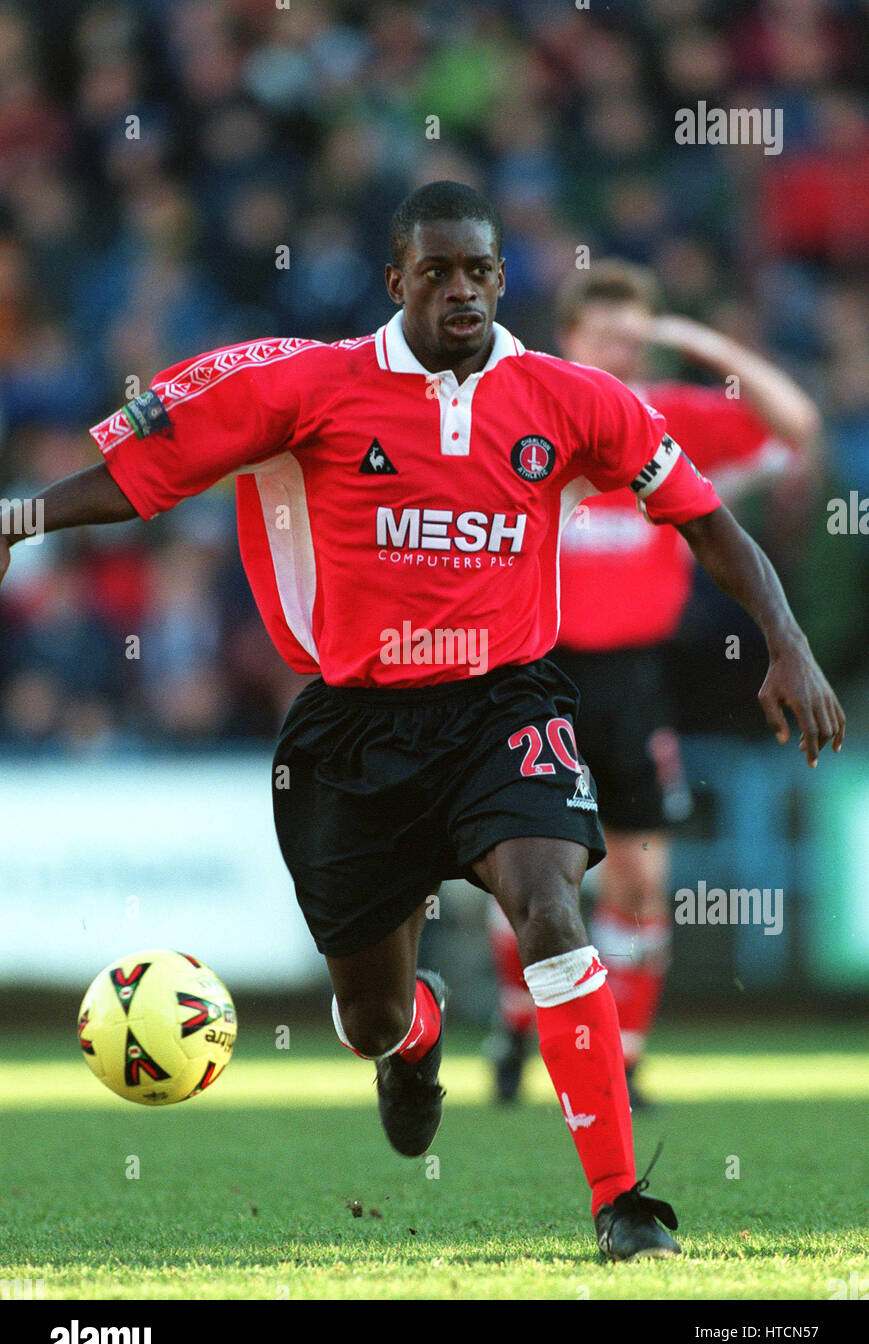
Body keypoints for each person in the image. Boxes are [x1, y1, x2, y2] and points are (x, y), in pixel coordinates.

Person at [0, 183, 844, 1263]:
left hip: (506, 701)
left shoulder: (572, 398)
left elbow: (703, 517)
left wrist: (786, 639)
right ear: (395, 280)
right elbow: (144, 475)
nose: (458, 290)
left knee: (547, 903)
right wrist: (21, 518)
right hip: (349, 731)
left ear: (501, 278)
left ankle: (622, 1203)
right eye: (435, 271)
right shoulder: (310, 386)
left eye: (477, 271)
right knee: (366, 1014)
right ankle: (415, 1034)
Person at [486, 260, 822, 1106]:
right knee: (526, 869)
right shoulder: (524, 410)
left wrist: (694, 340)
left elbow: (799, 426)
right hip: (531, 670)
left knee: (639, 875)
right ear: (566, 339)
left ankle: (621, 1059)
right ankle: (514, 1029)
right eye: (601, 333)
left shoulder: (670, 418)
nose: (617, 349)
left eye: (633, 334)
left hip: (635, 676)